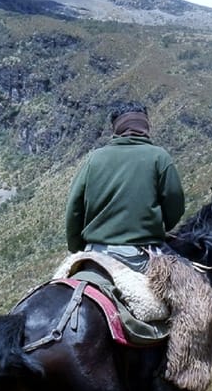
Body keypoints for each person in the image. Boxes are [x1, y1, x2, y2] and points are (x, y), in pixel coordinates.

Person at [65, 101, 185, 272]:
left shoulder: (94, 159)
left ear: (116, 129)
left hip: (95, 252)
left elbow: (74, 209)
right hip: (140, 256)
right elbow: (175, 208)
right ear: (145, 126)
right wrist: (155, 228)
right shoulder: (160, 157)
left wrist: (77, 248)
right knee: (193, 290)